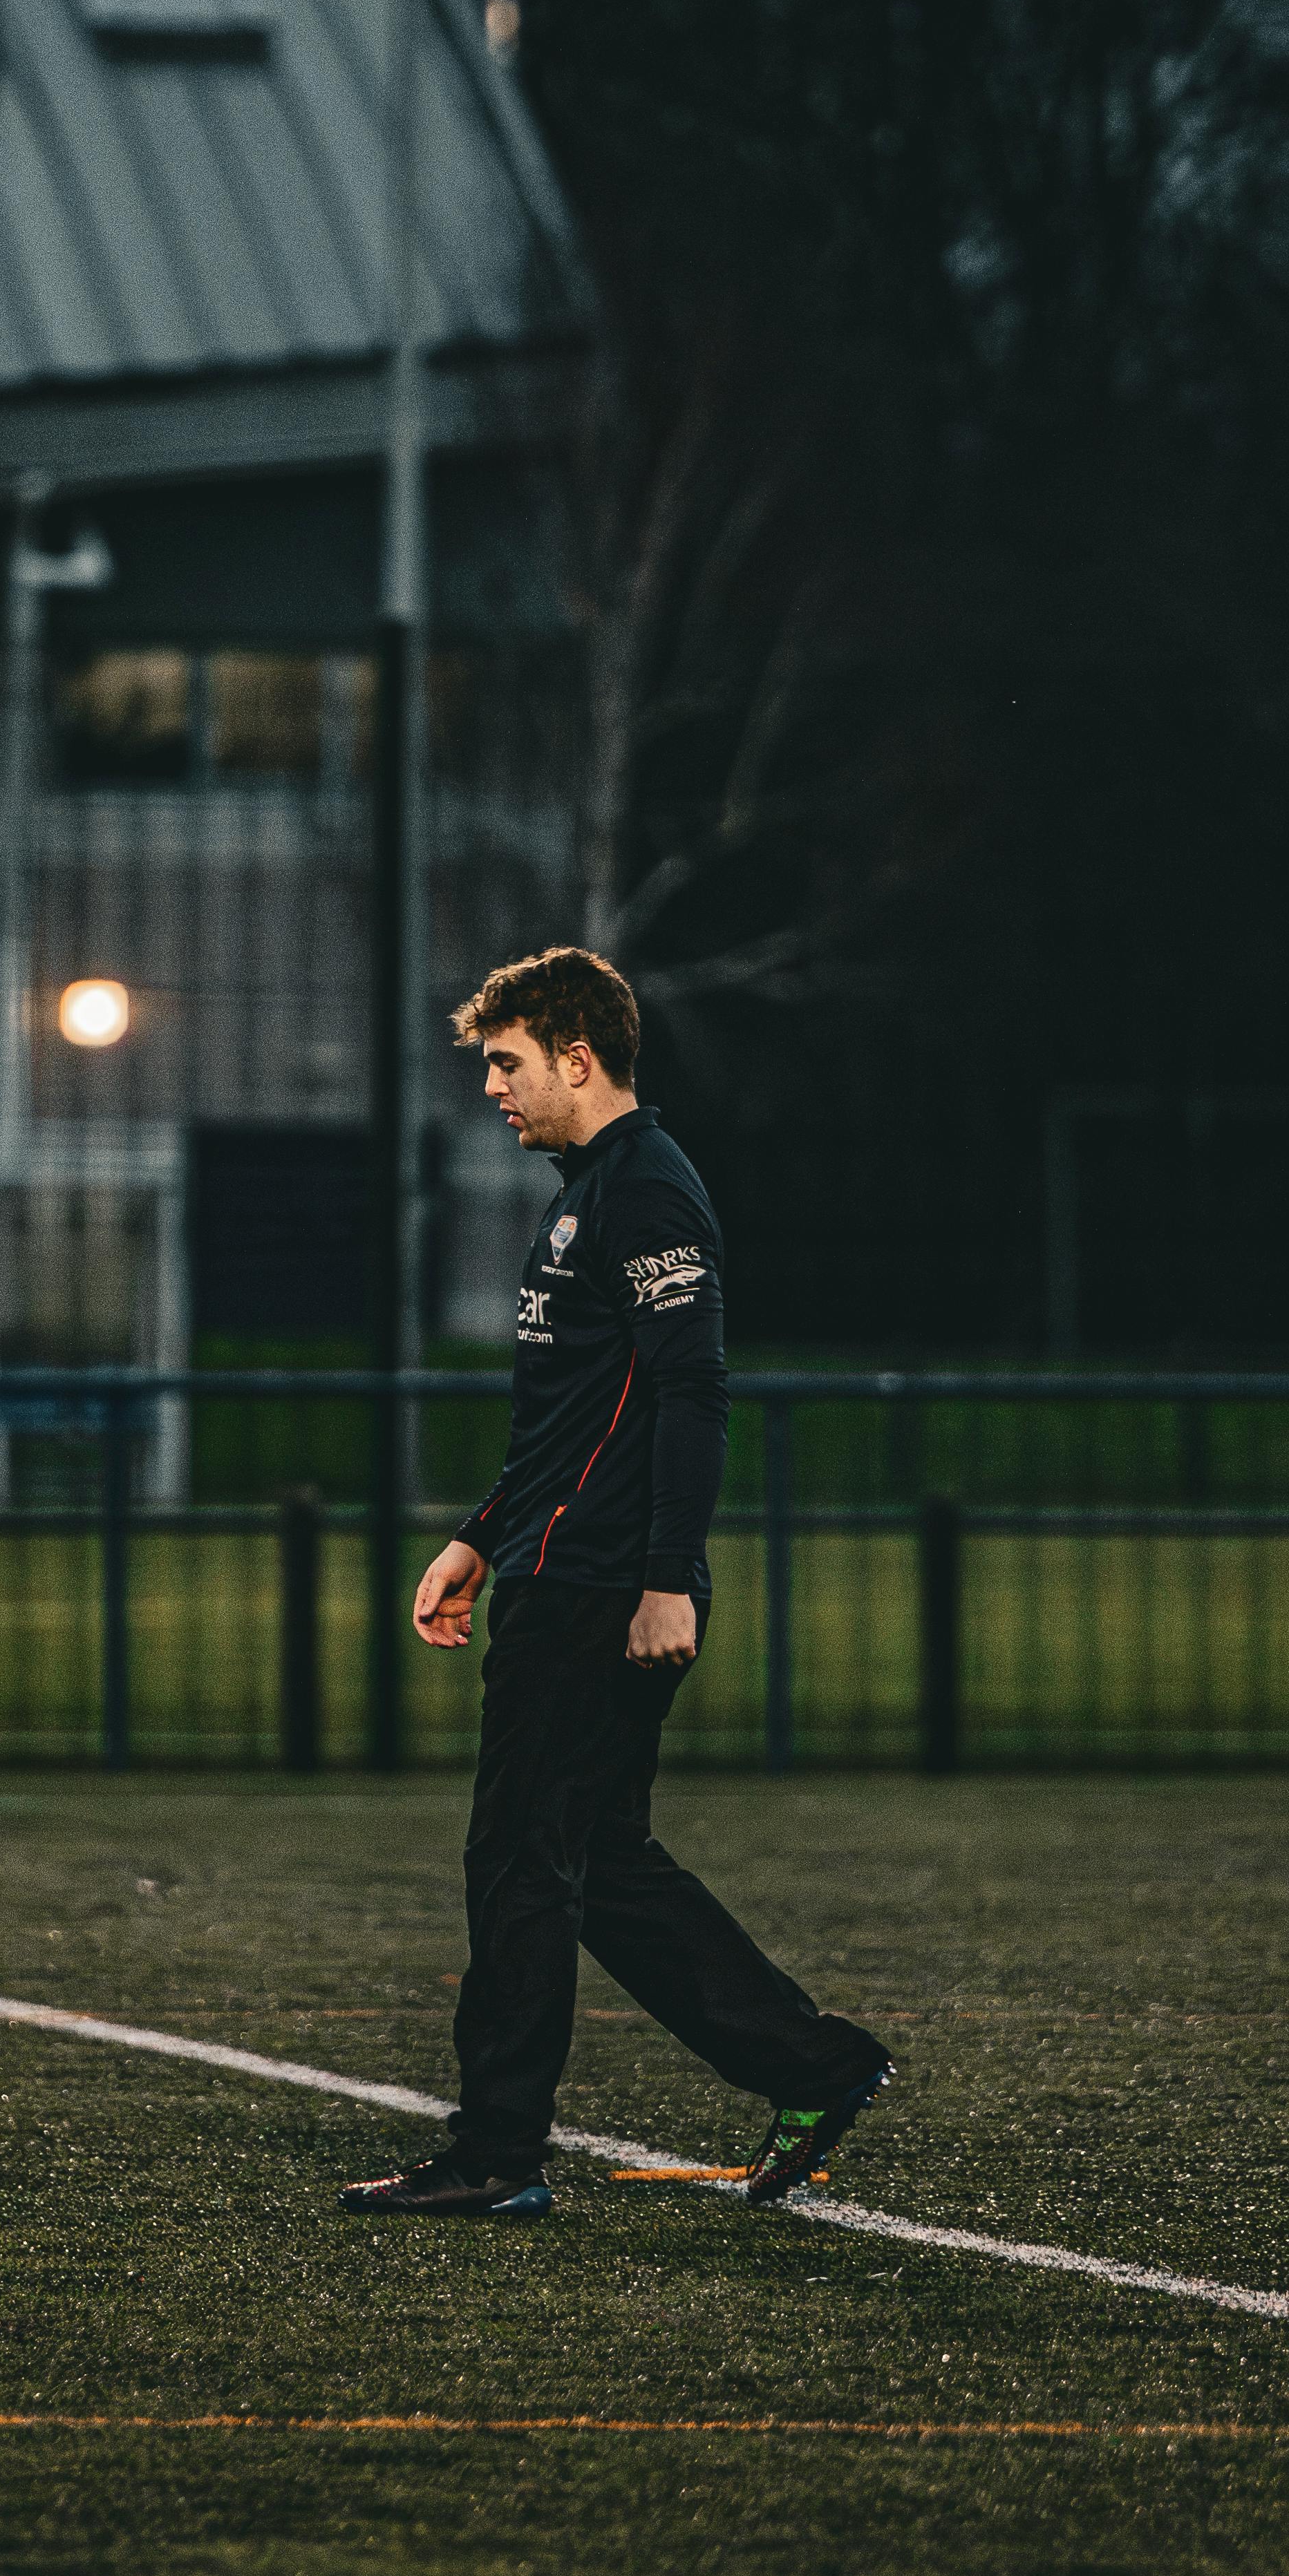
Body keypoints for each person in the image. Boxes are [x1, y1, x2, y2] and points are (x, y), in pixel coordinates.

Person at [341, 947, 896, 2219]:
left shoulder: (647, 1191)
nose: (492, 1087)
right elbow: (577, 1411)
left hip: (597, 1584)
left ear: (577, 1059)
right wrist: (480, 1535)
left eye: (507, 1062)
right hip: (555, 1560)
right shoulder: (590, 1190)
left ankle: (495, 2159)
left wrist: (665, 1580)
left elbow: (692, 1395)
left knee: (521, 1862)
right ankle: (814, 2064)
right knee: (596, 1857)